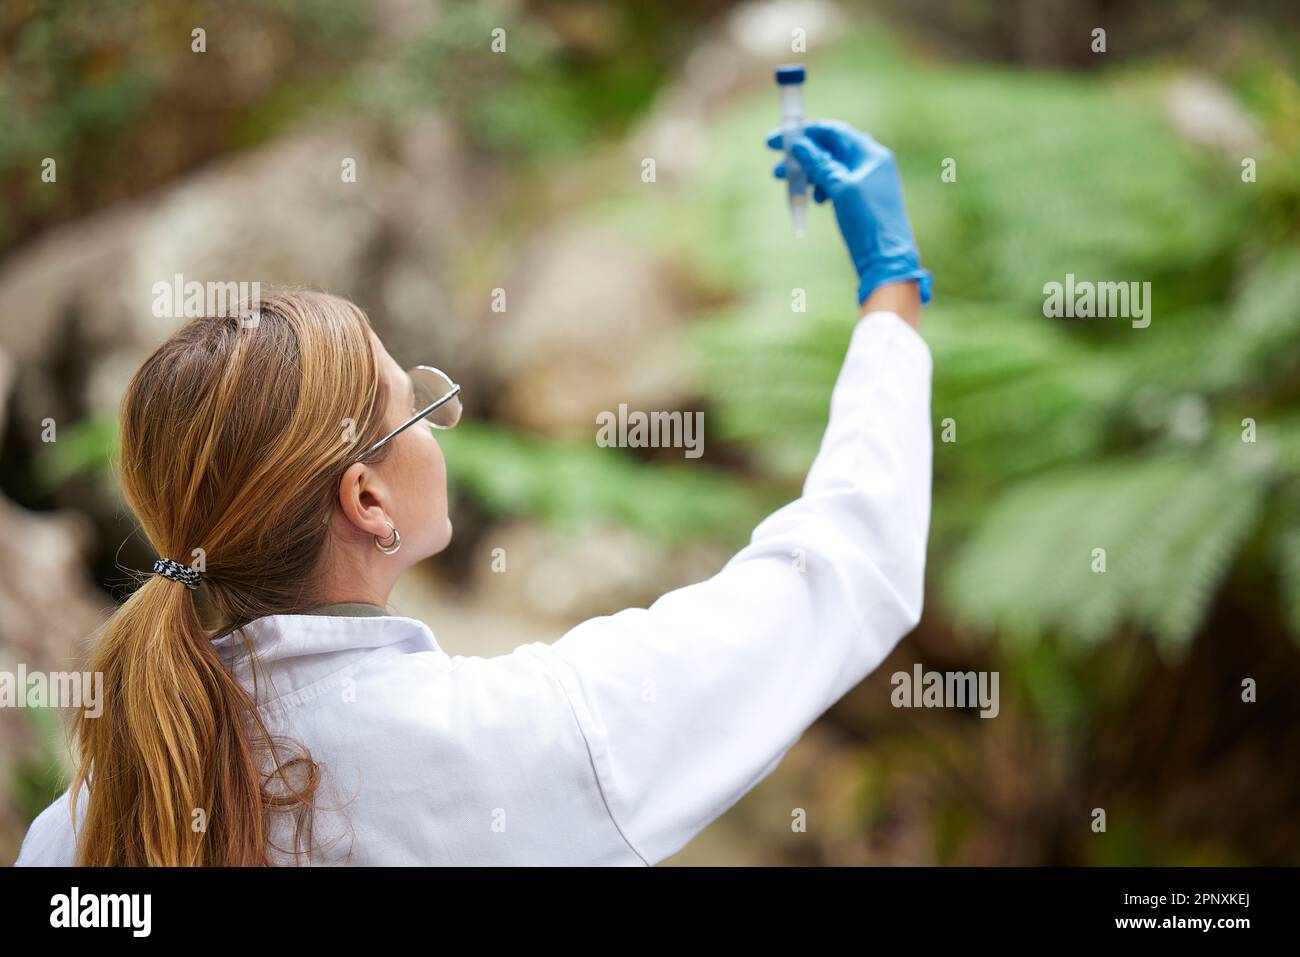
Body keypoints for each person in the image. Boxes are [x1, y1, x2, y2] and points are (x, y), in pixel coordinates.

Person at [14, 118, 933, 866]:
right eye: (414, 404)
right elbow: (833, 576)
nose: (440, 422)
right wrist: (890, 295)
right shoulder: (516, 741)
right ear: (366, 500)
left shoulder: (85, 823)